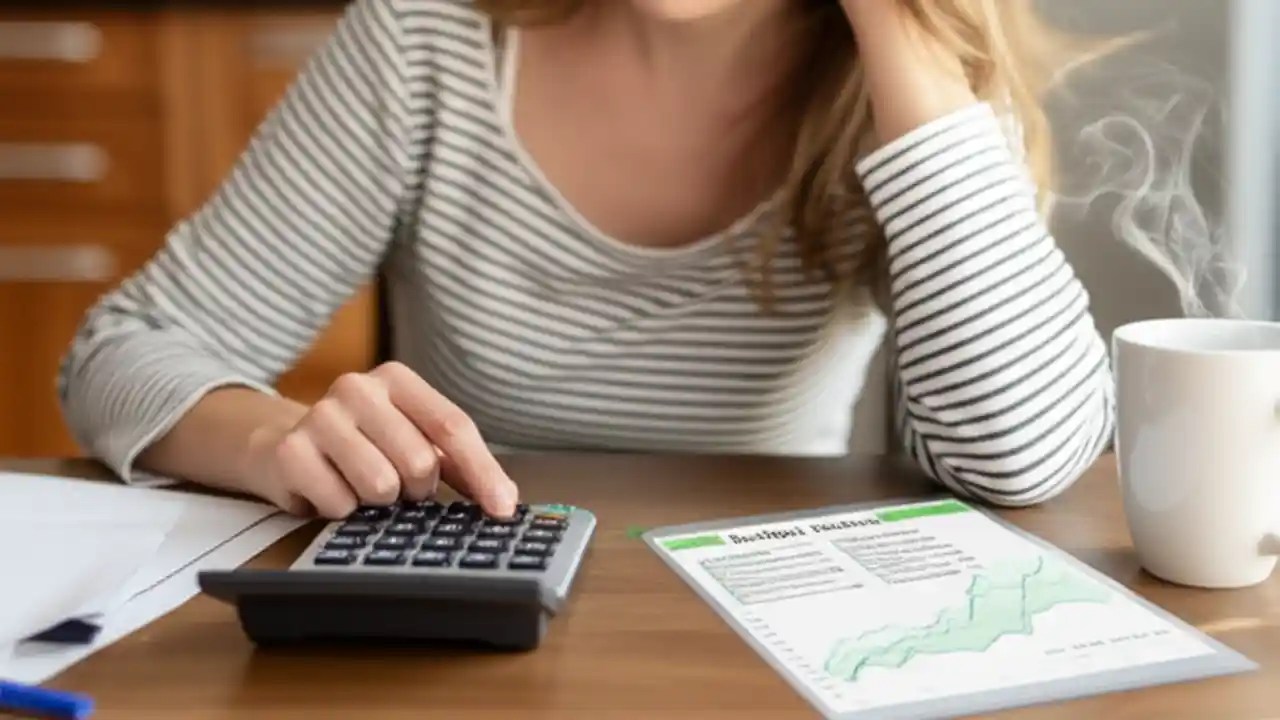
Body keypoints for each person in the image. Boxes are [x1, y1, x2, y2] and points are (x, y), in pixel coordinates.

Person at [58, 0, 1115, 520]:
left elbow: (1016, 453)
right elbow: (123, 353)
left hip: (761, 639)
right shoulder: (424, 41)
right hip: (460, 632)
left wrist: (909, 38)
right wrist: (278, 441)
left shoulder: (899, 99)